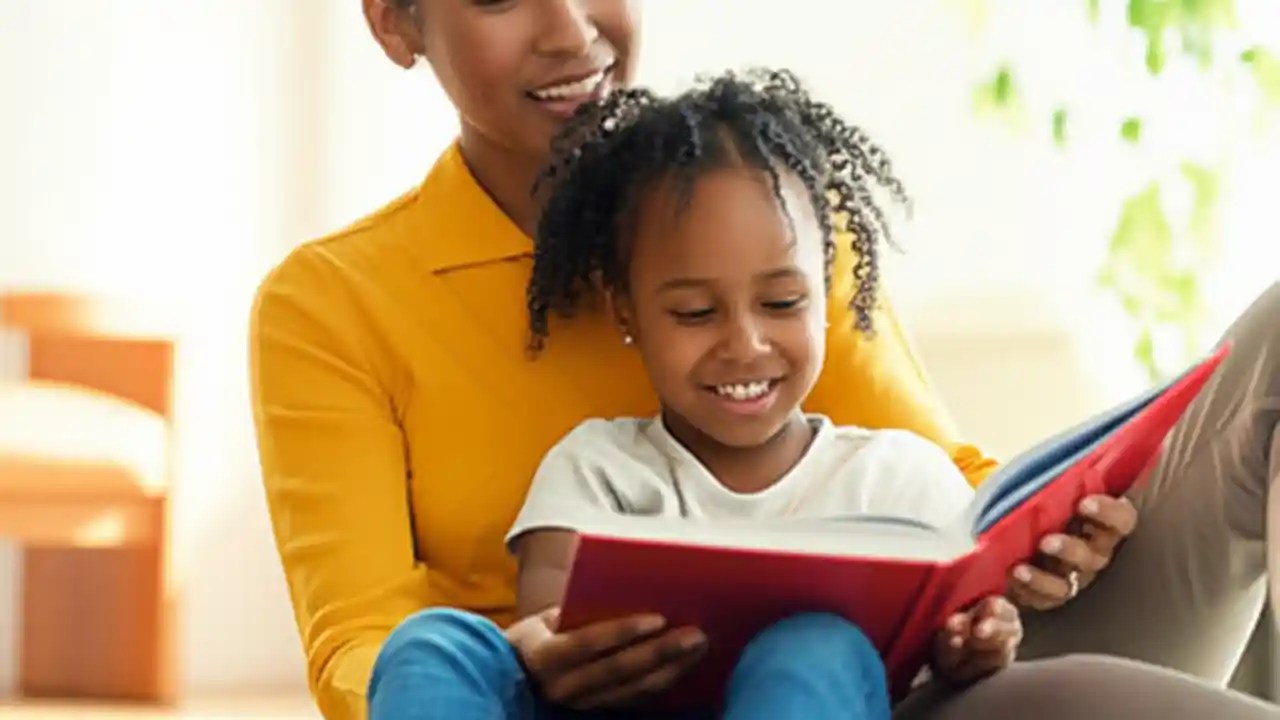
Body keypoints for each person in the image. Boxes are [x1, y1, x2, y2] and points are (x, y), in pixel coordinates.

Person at [247, 1, 1280, 719]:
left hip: (892, 679)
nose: (571, 29)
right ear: (395, 19)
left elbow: (944, 490)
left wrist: (1041, 550)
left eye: (776, 303)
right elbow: (357, 640)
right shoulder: (331, 304)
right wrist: (533, 654)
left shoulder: (768, 220)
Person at [365, 69, 1024, 720]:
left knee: (815, 647)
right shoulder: (598, 470)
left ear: (827, 293)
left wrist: (976, 644)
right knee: (431, 643)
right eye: (693, 313)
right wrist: (546, 647)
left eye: (781, 302)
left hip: (812, 696)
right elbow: (549, 633)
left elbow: (963, 647)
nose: (745, 343)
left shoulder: (901, 480)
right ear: (626, 312)